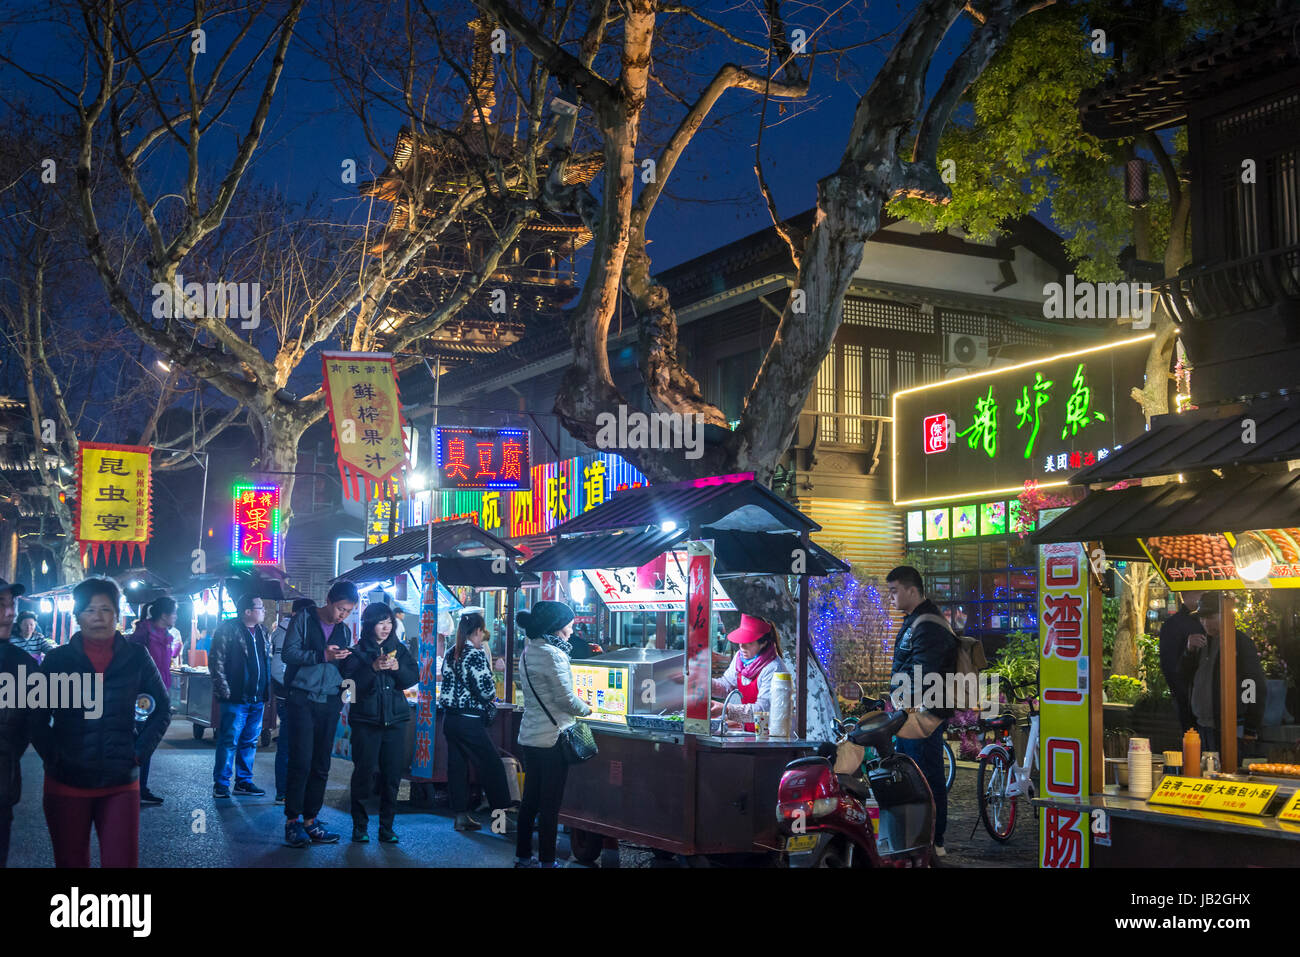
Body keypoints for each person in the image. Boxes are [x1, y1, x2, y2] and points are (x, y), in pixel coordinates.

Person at [31, 578, 170, 868]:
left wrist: (138, 753)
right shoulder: (58, 660)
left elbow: (162, 709)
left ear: (117, 615)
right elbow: (35, 715)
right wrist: (54, 756)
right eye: (90, 610)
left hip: (121, 781)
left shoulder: (136, 657)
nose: (98, 617)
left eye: (106, 609)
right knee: (71, 862)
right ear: (78, 616)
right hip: (66, 781)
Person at [886, 565, 957, 859]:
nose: (891, 597)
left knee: (925, 776)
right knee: (912, 774)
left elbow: (924, 673)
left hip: (922, 715)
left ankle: (933, 840)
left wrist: (905, 706)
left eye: (894, 591)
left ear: (911, 590)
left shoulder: (928, 624)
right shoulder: (916, 620)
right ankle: (917, 840)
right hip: (911, 713)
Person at [280, 581, 358, 848]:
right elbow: (288, 654)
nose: (342, 615)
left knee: (321, 764)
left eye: (348, 611)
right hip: (301, 698)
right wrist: (322, 655)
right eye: (340, 609)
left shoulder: (344, 631)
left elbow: (345, 669)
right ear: (328, 601)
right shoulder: (303, 619)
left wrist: (347, 695)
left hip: (330, 701)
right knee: (301, 761)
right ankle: (292, 821)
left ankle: (311, 820)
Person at [514, 600, 590, 867]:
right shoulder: (553, 654)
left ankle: (523, 856)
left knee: (530, 801)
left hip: (530, 736)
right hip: (553, 738)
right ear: (557, 626)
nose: (572, 630)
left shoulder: (528, 651)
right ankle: (547, 860)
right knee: (550, 804)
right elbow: (565, 699)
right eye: (569, 624)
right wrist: (588, 709)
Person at [340, 603, 417, 844]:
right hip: (366, 723)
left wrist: (397, 669)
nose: (386, 627)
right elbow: (347, 691)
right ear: (369, 624)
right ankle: (359, 827)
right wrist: (372, 669)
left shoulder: (399, 650)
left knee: (391, 777)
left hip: (395, 722)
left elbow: (412, 678)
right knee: (363, 775)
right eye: (381, 622)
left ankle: (387, 828)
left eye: (389, 622)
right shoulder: (355, 652)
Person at [439, 612, 514, 832]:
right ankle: (500, 820)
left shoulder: (452, 652)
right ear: (478, 631)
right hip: (469, 720)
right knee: (492, 765)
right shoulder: (475, 654)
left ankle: (461, 816)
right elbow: (487, 690)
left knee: (457, 766)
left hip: (450, 719)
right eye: (482, 632)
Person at [1181, 593, 1266, 753]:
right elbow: (1184, 677)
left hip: (1231, 726)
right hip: (1201, 725)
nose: (1205, 623)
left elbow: (1252, 683)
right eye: (1202, 618)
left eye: (1211, 617)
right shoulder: (1200, 642)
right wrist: (1189, 651)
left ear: (1225, 614)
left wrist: (1250, 726)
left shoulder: (1239, 642)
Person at [209, 593, 271, 799]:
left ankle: (243, 782)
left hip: (257, 697)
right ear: (247, 611)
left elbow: (266, 661)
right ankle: (221, 784)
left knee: (250, 741)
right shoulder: (227, 629)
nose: (264, 611)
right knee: (229, 740)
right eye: (260, 607)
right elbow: (216, 662)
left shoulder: (262, 631)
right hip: (235, 697)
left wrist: (266, 690)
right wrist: (225, 691)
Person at [129, 598, 182, 805]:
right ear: (164, 615)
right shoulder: (143, 633)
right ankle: (131, 787)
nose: (176, 617)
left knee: (149, 740)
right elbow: (132, 660)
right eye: (174, 613)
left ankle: (141, 787)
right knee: (139, 738)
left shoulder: (167, 635)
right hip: (143, 695)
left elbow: (164, 663)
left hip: (161, 693)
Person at [0, 577, 34, 867]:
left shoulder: (24, 663)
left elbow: (29, 725)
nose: (10, 612)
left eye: (12, 604)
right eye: (2, 604)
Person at [269, 599, 315, 803]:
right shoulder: (286, 631)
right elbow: (278, 667)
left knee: (299, 746)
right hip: (288, 696)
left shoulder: (295, 629)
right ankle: (283, 791)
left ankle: (293, 791)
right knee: (288, 745)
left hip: (298, 695)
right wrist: (292, 687)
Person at [710, 614, 788, 731]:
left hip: (769, 732)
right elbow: (726, 686)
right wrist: (703, 683)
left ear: (763, 643)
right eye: (741, 641)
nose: (742, 646)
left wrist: (727, 710)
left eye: (749, 642)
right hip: (750, 729)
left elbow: (763, 710)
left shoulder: (773, 668)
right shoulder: (740, 658)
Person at [1159, 590, 1203, 734]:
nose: (1203, 596)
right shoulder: (1173, 625)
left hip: (1207, 698)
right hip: (1187, 697)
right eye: (1200, 592)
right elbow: (1169, 666)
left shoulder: (1209, 621)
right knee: (1193, 737)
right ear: (1184, 595)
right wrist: (1182, 695)